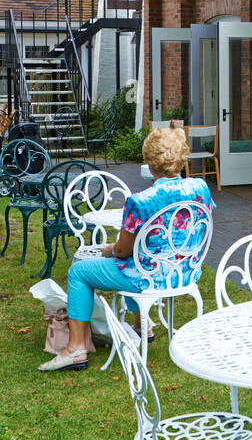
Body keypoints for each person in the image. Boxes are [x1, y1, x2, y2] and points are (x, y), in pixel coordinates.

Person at [39, 127, 215, 371]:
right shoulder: (200, 188)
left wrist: (109, 249)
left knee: (79, 272)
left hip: (149, 276)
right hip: (183, 272)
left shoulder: (141, 201)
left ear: (150, 162)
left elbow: (123, 251)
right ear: (181, 158)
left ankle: (75, 349)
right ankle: (143, 325)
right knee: (137, 260)